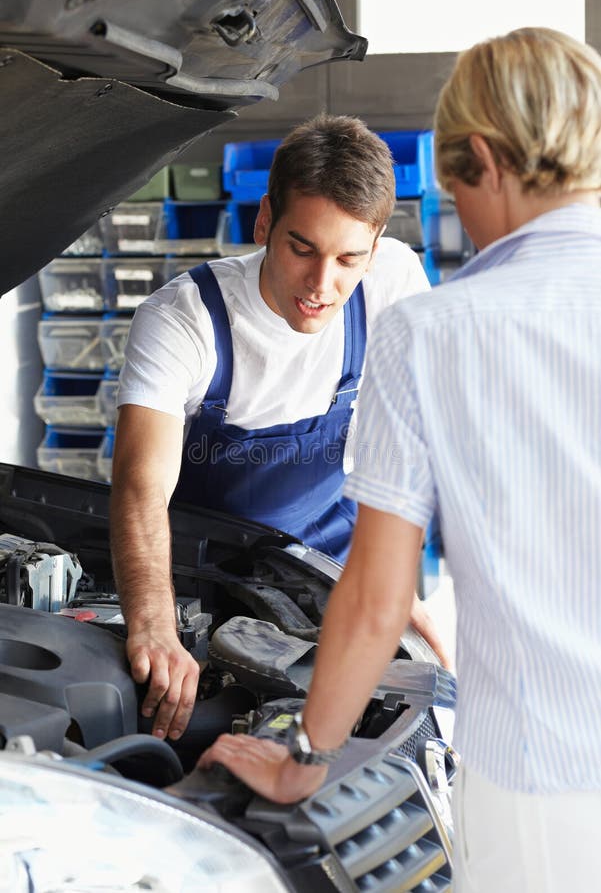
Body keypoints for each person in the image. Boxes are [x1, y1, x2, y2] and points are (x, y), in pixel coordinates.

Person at [199, 28, 601, 893]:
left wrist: (303, 759)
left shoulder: (434, 330)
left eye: (454, 188)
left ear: (480, 159)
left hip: (549, 775)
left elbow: (376, 598)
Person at [109, 114, 440, 743]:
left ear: (375, 247)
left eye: (349, 259)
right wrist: (153, 626)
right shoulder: (184, 320)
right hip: (208, 579)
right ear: (265, 221)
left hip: (332, 565)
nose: (322, 285)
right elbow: (139, 486)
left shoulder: (392, 281)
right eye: (302, 248)